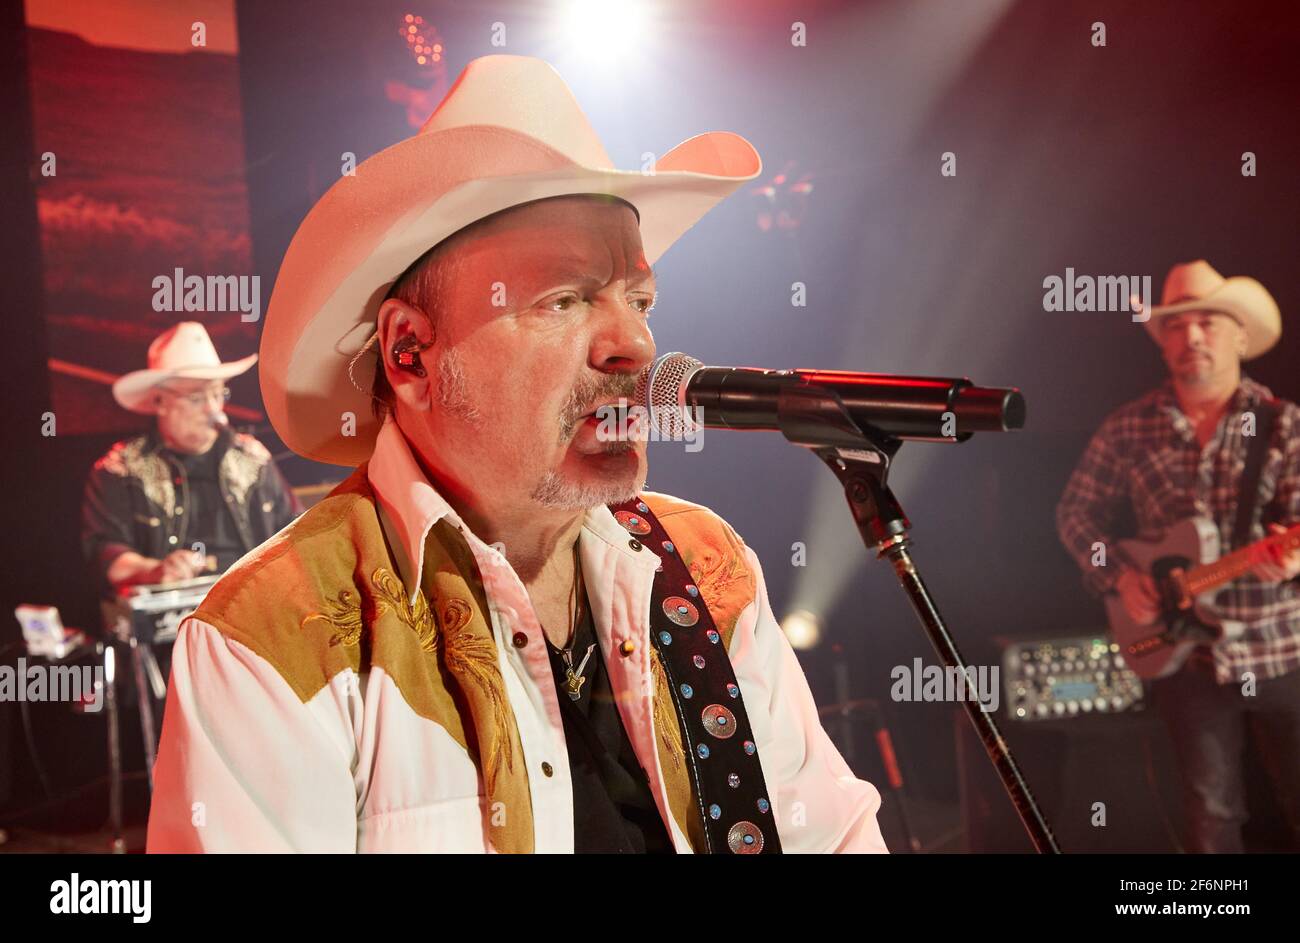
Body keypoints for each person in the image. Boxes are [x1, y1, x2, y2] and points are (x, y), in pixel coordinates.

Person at [146, 55, 888, 854]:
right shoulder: (270, 635)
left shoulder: (710, 565)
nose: (636, 344)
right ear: (410, 355)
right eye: (564, 300)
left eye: (639, 300)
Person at [1057, 260, 1300, 852]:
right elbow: (1075, 517)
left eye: (1207, 322)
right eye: (1174, 325)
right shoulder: (1127, 428)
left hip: (1283, 648)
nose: (1190, 336)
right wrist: (1118, 576)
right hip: (1184, 657)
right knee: (1210, 815)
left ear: (1240, 334)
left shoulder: (1283, 424)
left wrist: (1291, 559)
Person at [82, 321, 301, 593]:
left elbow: (298, 532)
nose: (213, 409)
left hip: (252, 609)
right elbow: (106, 554)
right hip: (173, 620)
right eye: (196, 397)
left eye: (217, 394)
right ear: (160, 401)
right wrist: (155, 571)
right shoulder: (121, 469)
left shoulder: (252, 459)